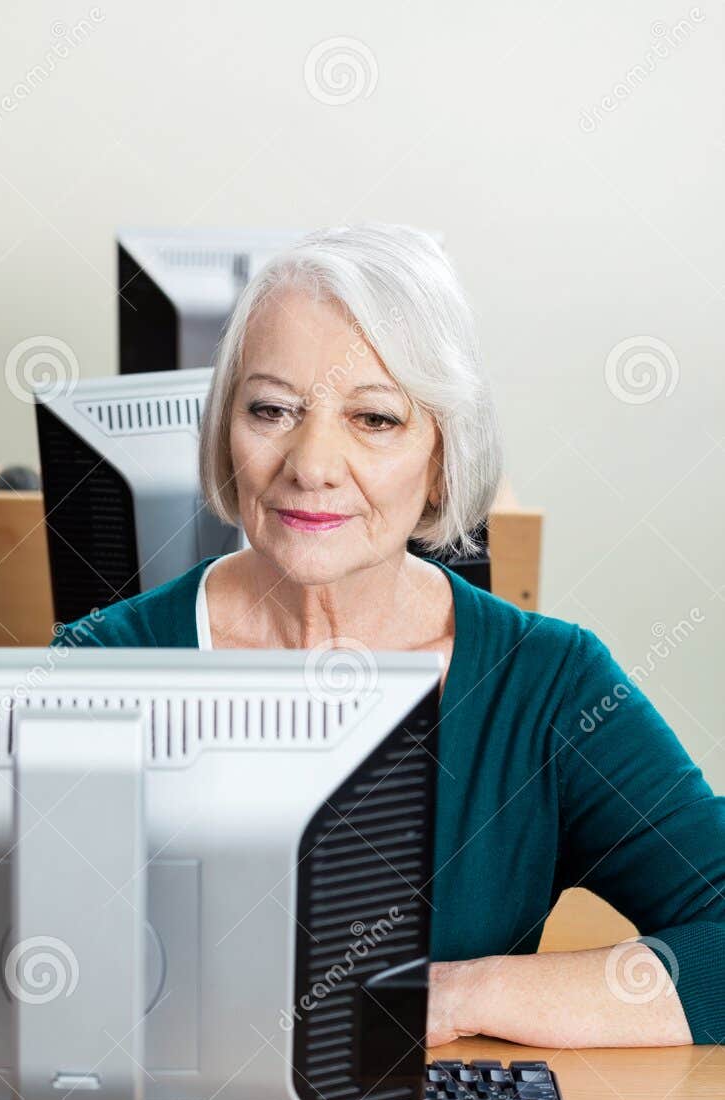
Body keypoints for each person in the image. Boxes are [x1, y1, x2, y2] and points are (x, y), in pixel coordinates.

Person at [54, 224, 725, 1046]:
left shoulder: (547, 685)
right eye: (271, 410)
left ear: (443, 457)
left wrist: (461, 995)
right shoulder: (101, 668)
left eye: (373, 419)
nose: (311, 463)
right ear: (224, 430)